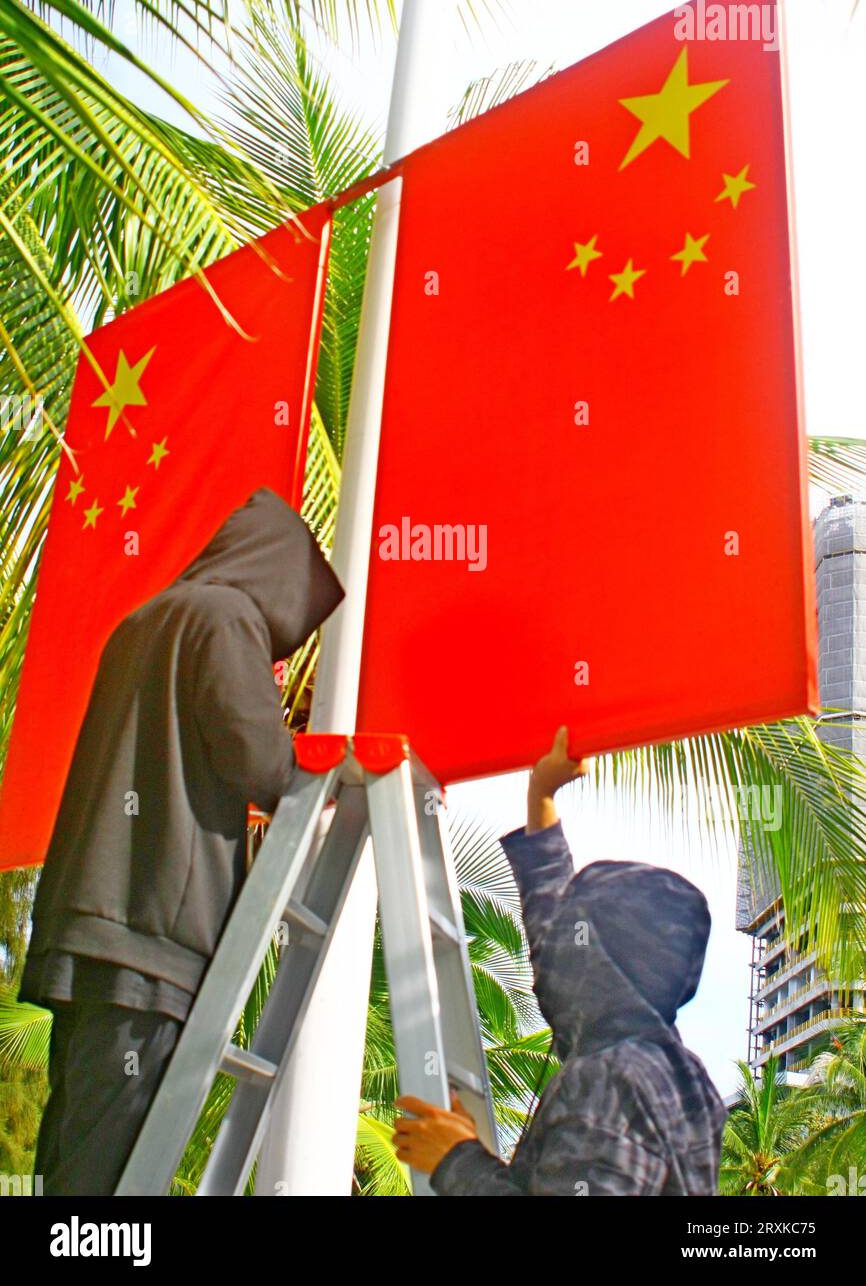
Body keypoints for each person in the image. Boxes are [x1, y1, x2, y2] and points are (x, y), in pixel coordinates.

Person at [17, 487, 344, 1195]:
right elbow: (262, 764)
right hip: (152, 934)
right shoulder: (226, 622)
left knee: (75, 1146)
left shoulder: (145, 620)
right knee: (110, 1177)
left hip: (91, 927)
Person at [393, 726, 728, 1195]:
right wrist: (541, 794)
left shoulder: (611, 1083)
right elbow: (551, 925)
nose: (553, 949)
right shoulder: (678, 1073)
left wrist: (456, 1161)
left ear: (600, 967)